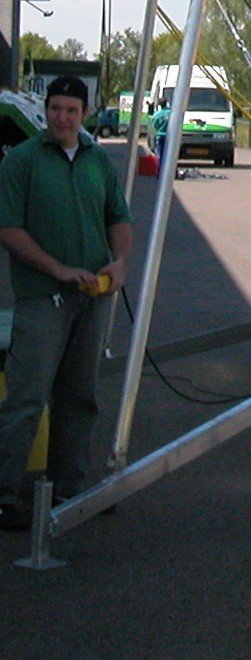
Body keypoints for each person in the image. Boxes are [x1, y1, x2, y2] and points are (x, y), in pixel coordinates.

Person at [0, 73, 132, 529]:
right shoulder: (22, 161)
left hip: (92, 300)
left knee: (79, 397)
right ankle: (5, 494)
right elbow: (9, 229)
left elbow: (118, 216)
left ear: (85, 114)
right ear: (46, 110)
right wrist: (56, 269)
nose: (62, 117)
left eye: (71, 110)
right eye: (55, 108)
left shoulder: (97, 160)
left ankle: (71, 490)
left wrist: (119, 263)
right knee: (27, 398)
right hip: (43, 299)